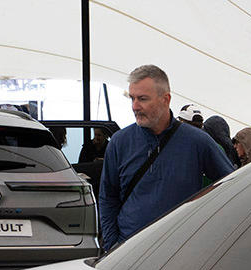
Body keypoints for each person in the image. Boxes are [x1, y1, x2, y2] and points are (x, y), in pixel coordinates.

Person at [98, 65, 235, 250]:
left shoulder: (198, 142)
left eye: (142, 99)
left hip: (179, 255)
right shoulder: (119, 142)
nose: (135, 106)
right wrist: (112, 245)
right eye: (132, 98)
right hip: (128, 252)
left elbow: (233, 186)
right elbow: (108, 197)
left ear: (166, 99)